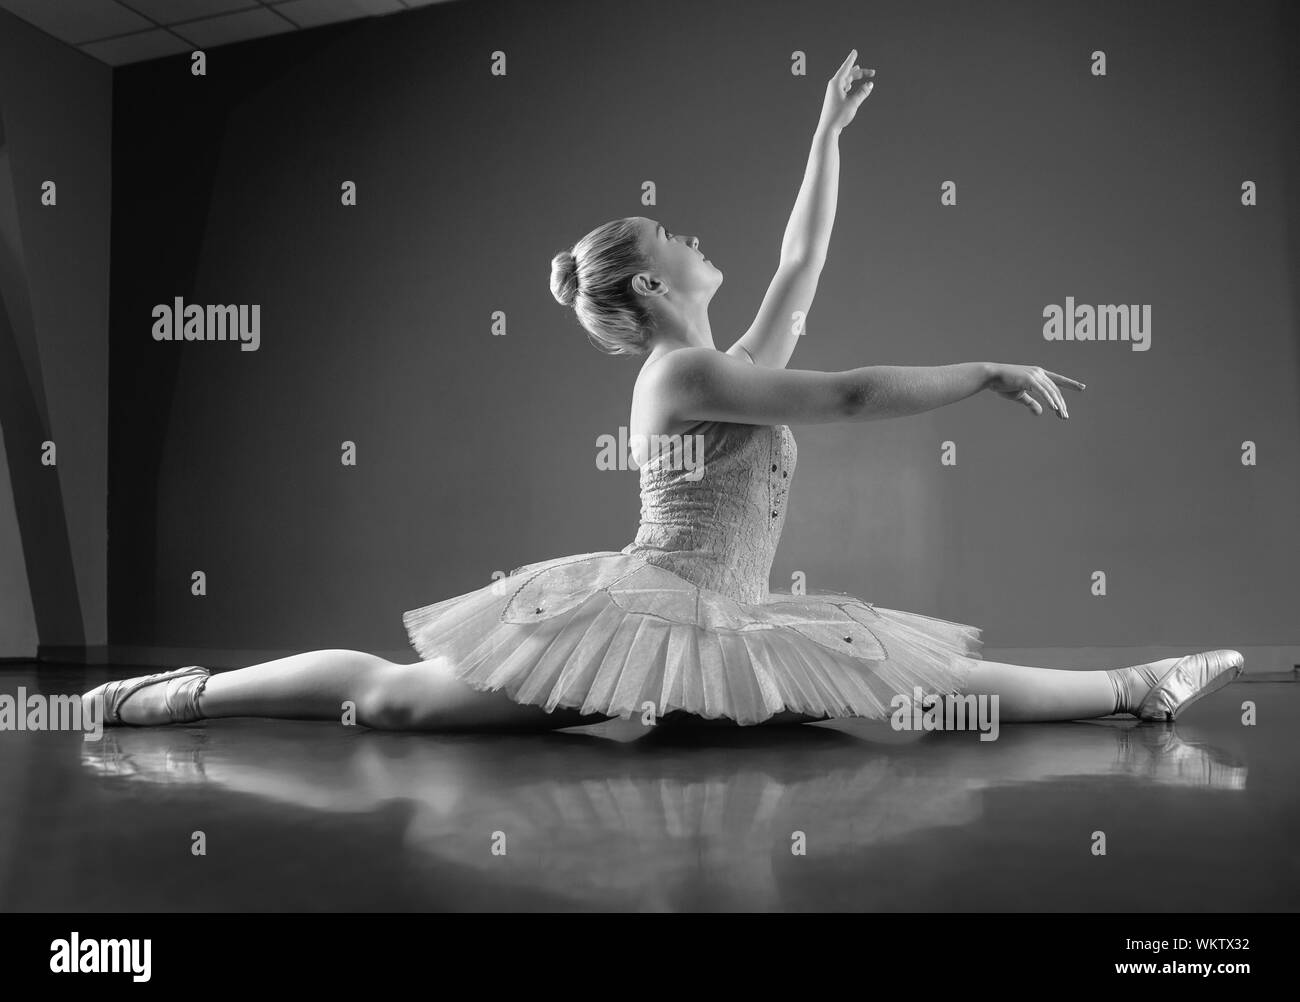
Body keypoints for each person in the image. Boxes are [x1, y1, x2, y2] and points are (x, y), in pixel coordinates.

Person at [84, 50, 1241, 732]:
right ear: (650, 277)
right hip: (644, 609)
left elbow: (799, 267)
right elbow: (837, 399)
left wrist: (823, 132)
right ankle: (161, 701)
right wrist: (988, 369)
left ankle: (1138, 687)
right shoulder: (681, 372)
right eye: (676, 234)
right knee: (393, 703)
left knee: (910, 685)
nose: (696, 237)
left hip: (726, 610)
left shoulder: (717, 363)